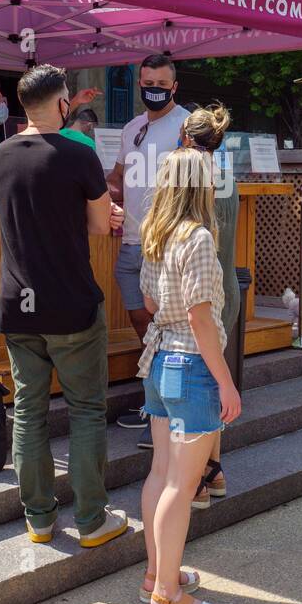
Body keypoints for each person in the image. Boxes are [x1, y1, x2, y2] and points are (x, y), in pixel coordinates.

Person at [0, 64, 128, 548]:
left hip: (18, 302)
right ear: (62, 103)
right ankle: (91, 520)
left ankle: (40, 519)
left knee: (29, 411)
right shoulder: (78, 153)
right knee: (86, 410)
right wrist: (102, 213)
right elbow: (99, 225)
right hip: (71, 300)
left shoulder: (1, 155)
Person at [138, 147, 241, 604]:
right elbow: (201, 318)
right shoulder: (198, 238)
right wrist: (227, 382)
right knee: (181, 486)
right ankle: (167, 596)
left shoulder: (155, 234)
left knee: (161, 475)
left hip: (159, 361)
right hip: (191, 366)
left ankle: (157, 576)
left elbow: (149, 300)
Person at [107, 54, 190, 429]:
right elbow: (117, 179)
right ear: (139, 84)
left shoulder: (186, 125)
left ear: (174, 87)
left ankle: (170, 408)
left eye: (161, 85)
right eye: (148, 84)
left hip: (166, 244)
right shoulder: (132, 128)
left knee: (168, 326)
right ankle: (154, 402)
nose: (154, 90)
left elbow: (203, 183)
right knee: (143, 324)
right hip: (130, 242)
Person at [180, 103, 237, 508]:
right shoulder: (226, 174)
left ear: (185, 137)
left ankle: (199, 476)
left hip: (200, 290)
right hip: (225, 285)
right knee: (214, 379)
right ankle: (213, 469)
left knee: (199, 385)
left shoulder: (188, 176)